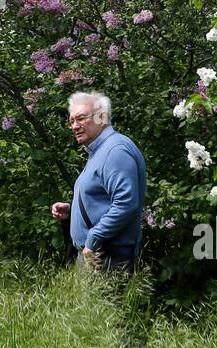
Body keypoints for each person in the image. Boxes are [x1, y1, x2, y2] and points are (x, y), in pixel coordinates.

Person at [50, 91, 146, 273]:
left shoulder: (115, 150)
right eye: (71, 121)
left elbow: (126, 204)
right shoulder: (99, 151)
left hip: (107, 258)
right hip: (97, 254)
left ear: (101, 117)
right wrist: (71, 210)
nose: (74, 126)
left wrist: (93, 239)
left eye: (80, 118)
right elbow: (103, 198)